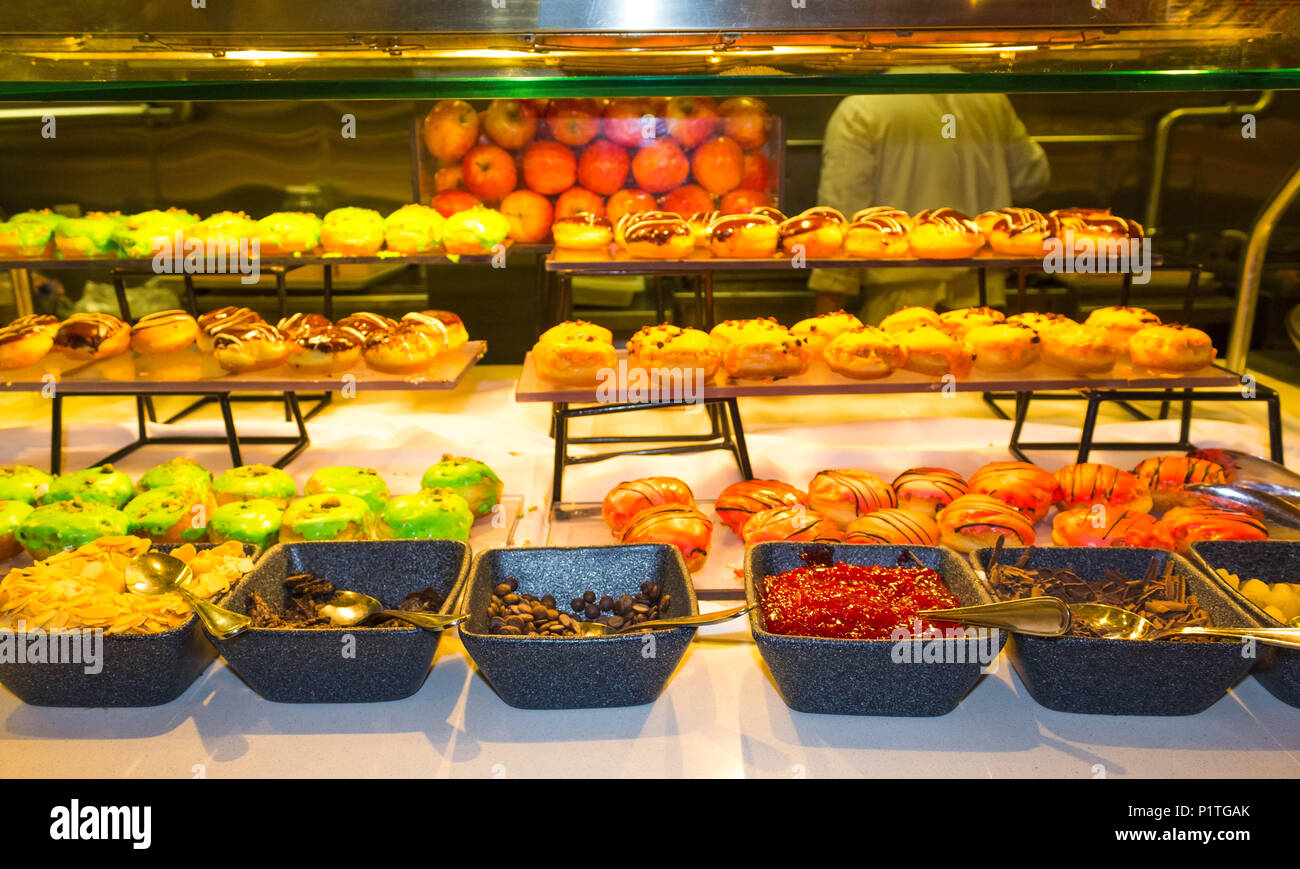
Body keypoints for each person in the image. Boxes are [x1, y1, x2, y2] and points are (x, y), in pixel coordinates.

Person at [810, 75, 1051, 325]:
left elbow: (842, 212)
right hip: (983, 305)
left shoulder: (862, 107)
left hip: (899, 310)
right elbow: (1032, 180)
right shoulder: (990, 99)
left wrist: (825, 313)